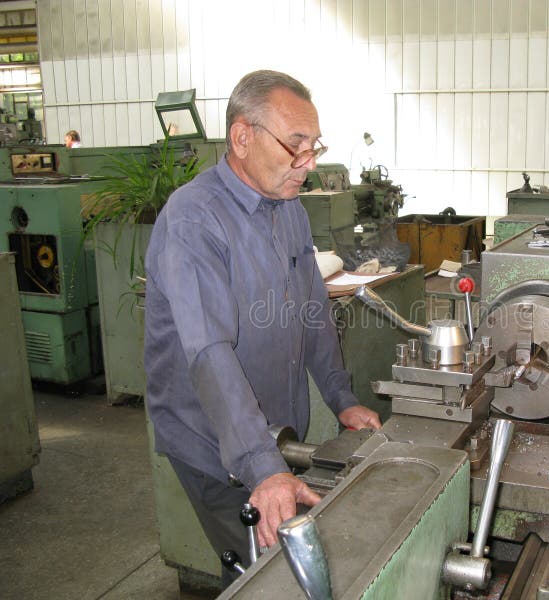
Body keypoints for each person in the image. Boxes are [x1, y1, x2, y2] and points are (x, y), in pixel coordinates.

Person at [144, 70, 381, 586]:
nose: (310, 163)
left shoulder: (289, 208)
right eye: (295, 145)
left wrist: (341, 398)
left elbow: (312, 309)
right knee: (269, 580)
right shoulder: (194, 219)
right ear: (242, 137)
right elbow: (209, 351)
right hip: (214, 443)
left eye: (314, 146)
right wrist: (262, 466)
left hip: (275, 434)